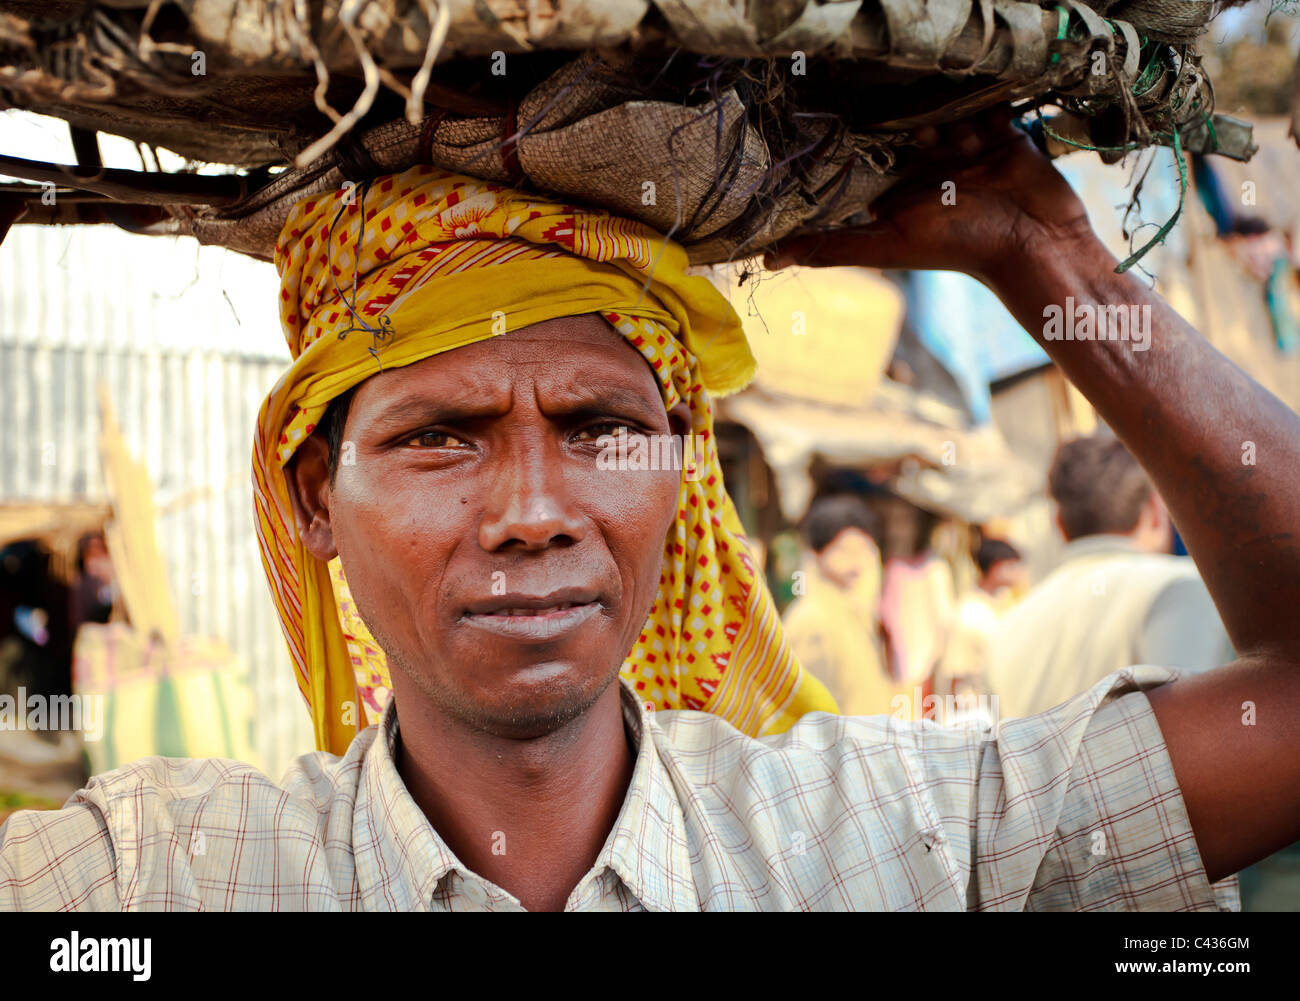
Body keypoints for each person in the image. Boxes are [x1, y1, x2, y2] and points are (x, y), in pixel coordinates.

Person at [2, 107, 1298, 910]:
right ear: (314, 497)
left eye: (601, 428)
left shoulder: (895, 842)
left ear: (686, 464)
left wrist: (1047, 259)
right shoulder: (164, 879)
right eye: (440, 437)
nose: (532, 511)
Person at [986, 434, 1233, 720]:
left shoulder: (1006, 628)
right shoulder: (1181, 588)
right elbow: (1198, 730)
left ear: (1059, 525)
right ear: (1155, 511)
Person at [782, 494, 896, 716]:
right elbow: (810, 713)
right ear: (817, 552)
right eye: (843, 549)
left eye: (864, 548)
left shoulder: (856, 611)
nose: (856, 560)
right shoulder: (811, 619)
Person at [934, 537, 1024, 706]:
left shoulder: (1008, 604)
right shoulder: (969, 613)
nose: (1019, 572)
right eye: (1011, 566)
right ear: (994, 567)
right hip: (978, 710)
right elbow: (956, 672)